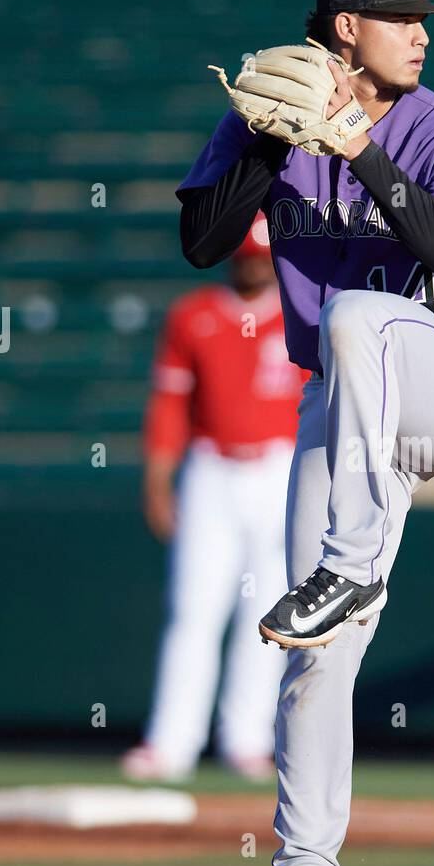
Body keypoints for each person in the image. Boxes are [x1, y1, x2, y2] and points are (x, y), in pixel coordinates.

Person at [175, 0, 434, 866]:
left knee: (359, 313)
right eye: (405, 17)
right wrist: (274, 142)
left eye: (425, 18)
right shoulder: (264, 112)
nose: (424, 32)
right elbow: (201, 243)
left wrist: (356, 144)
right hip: (345, 417)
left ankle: (350, 565)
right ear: (347, 28)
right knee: (316, 648)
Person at [122, 212, 309, 783]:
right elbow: (168, 406)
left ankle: (246, 738)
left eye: (261, 256)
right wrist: (158, 481)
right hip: (211, 468)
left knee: (269, 615)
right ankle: (171, 742)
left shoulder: (302, 314)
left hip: (277, 469)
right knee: (194, 610)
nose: (253, 265)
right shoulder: (194, 315)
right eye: (246, 256)